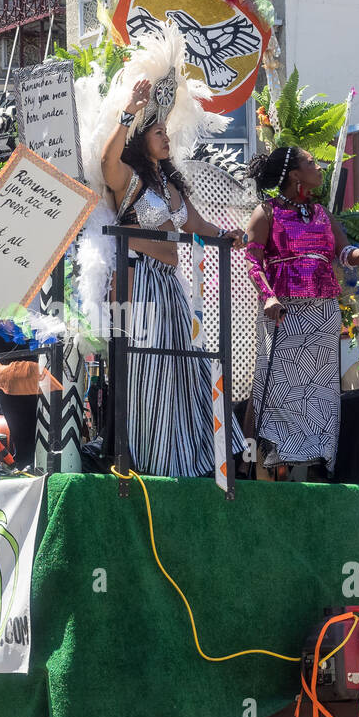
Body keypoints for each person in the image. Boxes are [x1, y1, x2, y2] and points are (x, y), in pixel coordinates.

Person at [100, 74, 245, 477]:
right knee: (151, 372)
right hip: (139, 284)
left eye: (167, 131)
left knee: (185, 367)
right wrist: (128, 110)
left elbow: (196, 225)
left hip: (171, 287)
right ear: (140, 138)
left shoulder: (171, 185)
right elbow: (106, 162)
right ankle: (152, 462)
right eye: (159, 132)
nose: (167, 138)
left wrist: (226, 235)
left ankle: (185, 460)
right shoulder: (129, 180)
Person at [244, 147, 359, 481]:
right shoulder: (266, 213)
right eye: (311, 163)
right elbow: (252, 261)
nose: (319, 167)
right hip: (283, 312)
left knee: (319, 393)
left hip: (322, 314)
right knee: (275, 389)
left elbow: (344, 252)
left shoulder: (322, 213)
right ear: (294, 175)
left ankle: (314, 467)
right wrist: (267, 297)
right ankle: (259, 469)